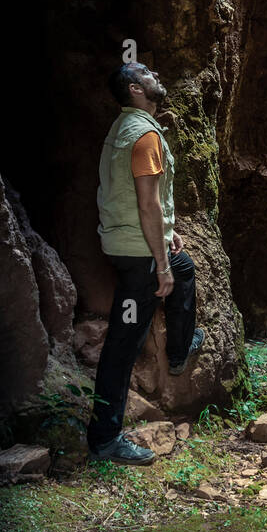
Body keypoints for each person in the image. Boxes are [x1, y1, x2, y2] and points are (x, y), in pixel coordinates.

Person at [87, 61, 204, 464]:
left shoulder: (124, 128)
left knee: (185, 266)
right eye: (147, 73)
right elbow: (148, 202)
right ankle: (105, 440)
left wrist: (167, 233)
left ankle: (179, 347)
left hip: (125, 241)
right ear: (136, 90)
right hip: (139, 254)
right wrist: (160, 263)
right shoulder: (145, 136)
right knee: (122, 346)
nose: (156, 73)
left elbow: (131, 194)